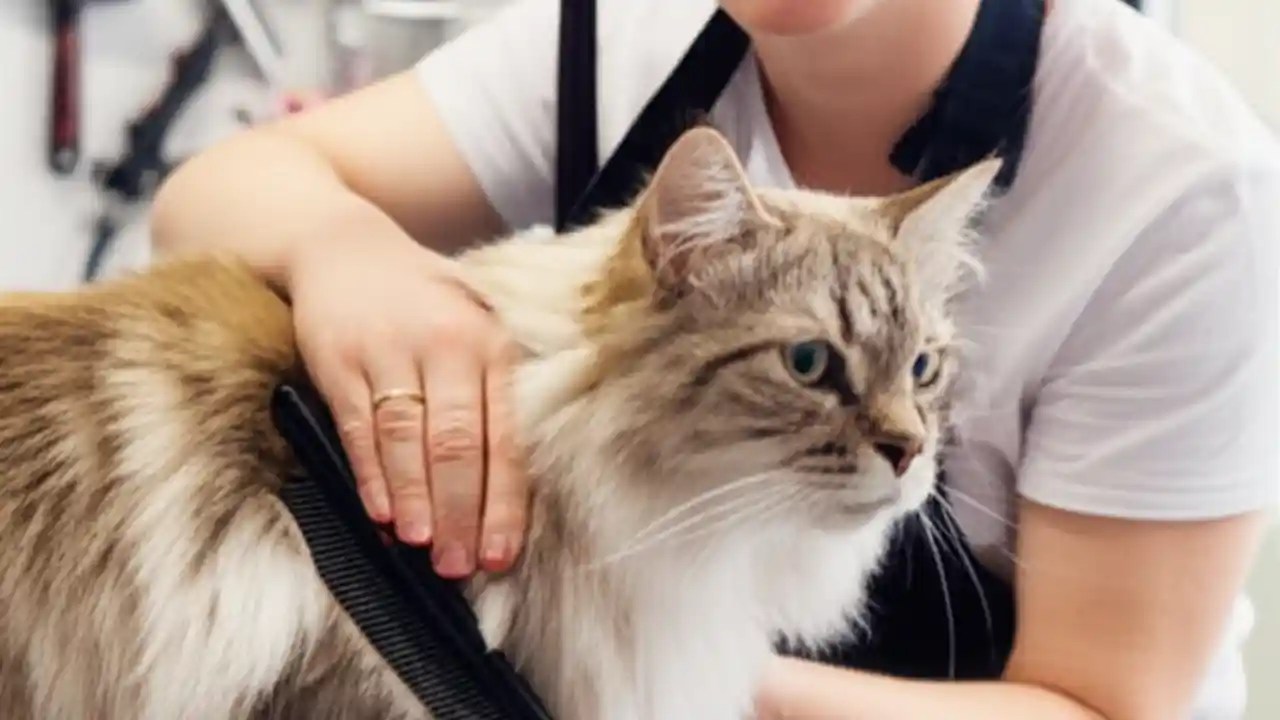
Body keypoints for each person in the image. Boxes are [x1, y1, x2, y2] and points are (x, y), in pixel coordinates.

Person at [149, 0, 1279, 717]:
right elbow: (217, 189)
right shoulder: (614, 37)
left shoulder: (1177, 176)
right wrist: (343, 251)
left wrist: (641, 669)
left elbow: (1100, 708)